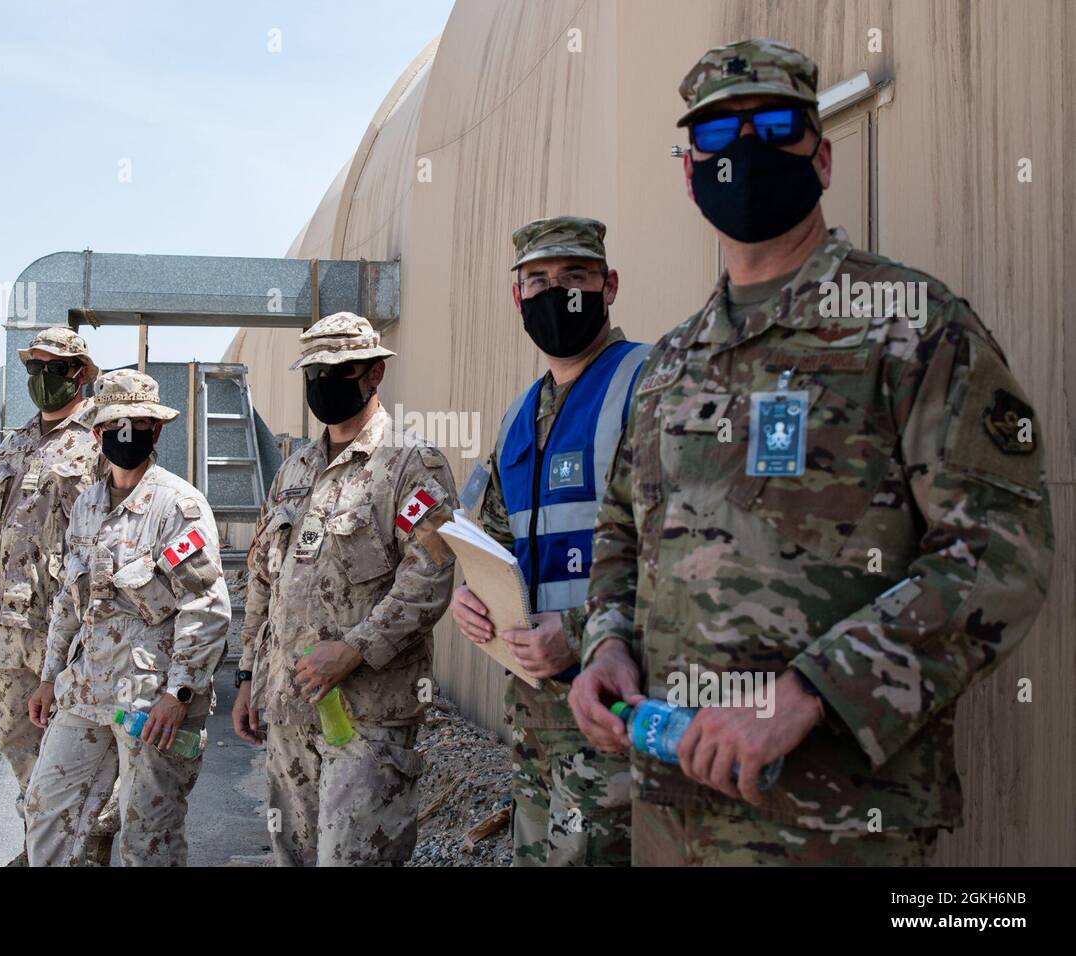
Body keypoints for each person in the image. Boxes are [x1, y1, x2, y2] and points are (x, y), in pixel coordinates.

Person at [571, 38, 1054, 866]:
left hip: (832, 827)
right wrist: (606, 645)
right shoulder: (670, 363)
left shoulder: (913, 327)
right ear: (690, 171)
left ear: (823, 159)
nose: (747, 150)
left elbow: (1001, 553)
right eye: (718, 136)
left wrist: (812, 691)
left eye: (777, 127)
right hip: (668, 810)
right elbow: (622, 531)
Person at [450, 216, 646, 866]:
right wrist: (471, 600)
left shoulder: (649, 385)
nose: (556, 293)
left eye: (575, 277)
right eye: (538, 280)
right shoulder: (518, 413)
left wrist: (586, 627)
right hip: (534, 710)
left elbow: (688, 556)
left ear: (608, 285)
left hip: (615, 703)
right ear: (517, 297)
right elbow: (490, 542)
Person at [232, 312, 458, 866]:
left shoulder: (411, 465)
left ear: (374, 373)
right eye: (313, 371)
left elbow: (431, 574)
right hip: (289, 712)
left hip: (368, 717)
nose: (323, 383)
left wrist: (355, 648)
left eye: (339, 369)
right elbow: (264, 577)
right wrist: (246, 677)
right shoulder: (294, 470)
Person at [23, 370, 230, 866]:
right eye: (113, 424)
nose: (125, 434)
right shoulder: (87, 506)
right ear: (96, 434)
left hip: (151, 704)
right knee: (46, 805)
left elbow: (205, 608)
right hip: (86, 692)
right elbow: (70, 602)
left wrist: (178, 694)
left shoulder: (179, 506)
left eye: (137, 423)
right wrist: (50, 676)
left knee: (148, 831)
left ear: (155, 431)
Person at [0, 326, 104, 865]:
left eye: (52, 368)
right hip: (10, 624)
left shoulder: (100, 439)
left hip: (71, 630)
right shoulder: (16, 441)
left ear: (78, 373)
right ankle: (39, 847)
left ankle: (83, 850)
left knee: (74, 750)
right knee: (18, 744)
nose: (40, 378)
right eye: (33, 369)